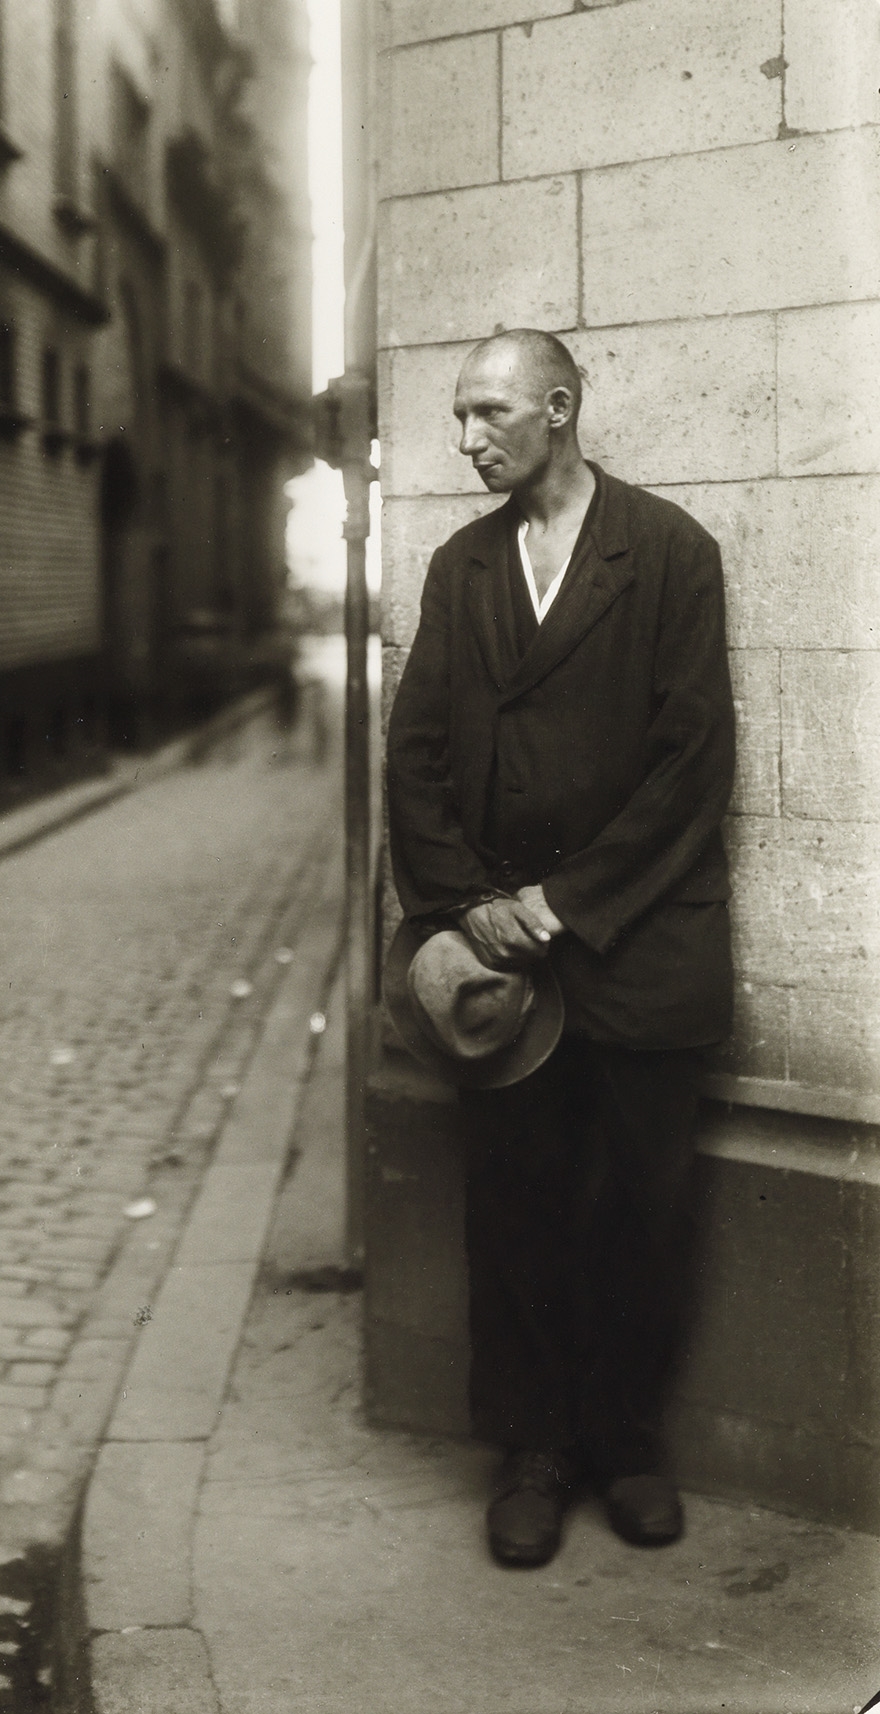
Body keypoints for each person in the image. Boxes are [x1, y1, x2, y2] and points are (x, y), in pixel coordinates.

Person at [385, 328, 736, 1568]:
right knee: (519, 1204)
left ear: (560, 407)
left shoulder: (671, 554)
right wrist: (471, 902)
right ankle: (533, 1449)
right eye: (459, 417)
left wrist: (569, 901)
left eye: (488, 414)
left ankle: (629, 1442)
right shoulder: (460, 566)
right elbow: (415, 754)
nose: (467, 440)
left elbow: (694, 766)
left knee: (641, 1208)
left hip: (634, 944)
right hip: (502, 963)